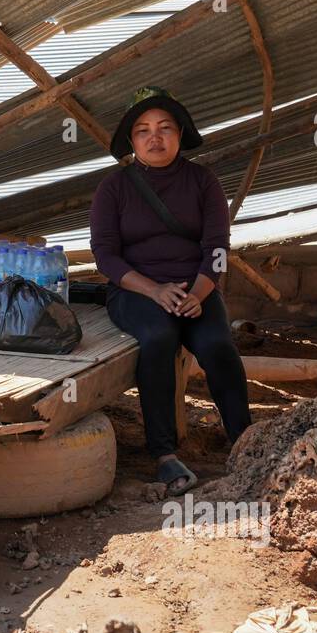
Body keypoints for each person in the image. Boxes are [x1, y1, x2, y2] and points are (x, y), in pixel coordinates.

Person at [89, 87, 251, 494]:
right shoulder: (114, 187)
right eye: (143, 130)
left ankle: (246, 441)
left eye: (164, 128)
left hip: (196, 287)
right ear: (132, 141)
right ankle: (163, 454)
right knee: (158, 337)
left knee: (217, 344)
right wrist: (154, 290)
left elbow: (217, 249)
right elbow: (105, 256)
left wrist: (198, 293)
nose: (154, 137)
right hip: (135, 291)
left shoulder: (203, 181)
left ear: (180, 134)